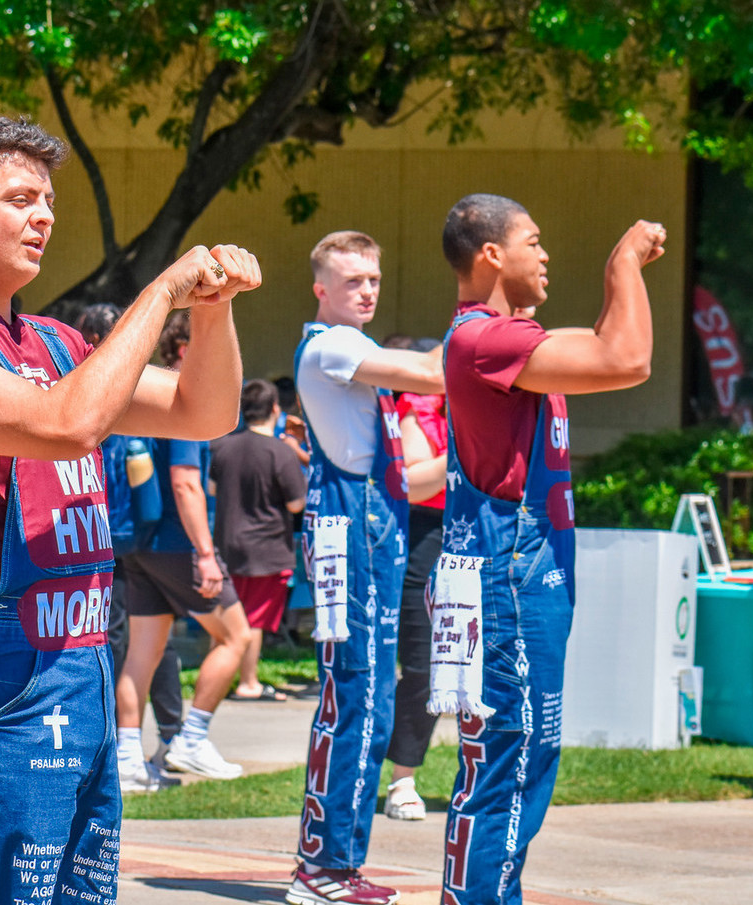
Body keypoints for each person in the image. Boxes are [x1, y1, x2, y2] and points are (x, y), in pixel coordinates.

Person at [0, 116, 258, 901]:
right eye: (20, 199)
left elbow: (203, 411)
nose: (44, 216)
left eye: (49, 200)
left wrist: (212, 309)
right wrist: (162, 291)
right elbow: (65, 423)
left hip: (79, 667)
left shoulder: (53, 342)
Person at [433, 194, 664, 905]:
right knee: (511, 760)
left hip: (516, 569)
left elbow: (600, 345)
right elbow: (627, 359)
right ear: (490, 254)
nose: (545, 254)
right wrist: (623, 262)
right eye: (532, 241)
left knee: (515, 758)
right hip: (510, 573)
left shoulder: (505, 340)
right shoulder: (487, 338)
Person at [290, 230, 443, 905]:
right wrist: (488, 315)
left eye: (374, 279)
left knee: (366, 698)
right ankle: (324, 866)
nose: (368, 291)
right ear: (321, 289)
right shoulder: (335, 346)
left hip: (368, 524)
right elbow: (435, 374)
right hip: (350, 528)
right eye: (353, 281)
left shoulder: (354, 348)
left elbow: (410, 471)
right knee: (357, 697)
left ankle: (333, 864)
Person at [115, 312, 253, 787]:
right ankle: (190, 739)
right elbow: (186, 482)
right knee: (236, 637)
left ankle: (128, 759)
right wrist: (206, 553)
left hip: (142, 542)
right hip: (179, 544)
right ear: (185, 349)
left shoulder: (151, 395)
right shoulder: (186, 397)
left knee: (142, 655)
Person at [78, 302, 186, 792]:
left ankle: (121, 743)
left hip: (93, 540)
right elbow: (147, 487)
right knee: (147, 645)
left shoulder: (83, 393)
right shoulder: (134, 393)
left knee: (117, 645)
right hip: (131, 539)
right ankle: (169, 736)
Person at [209, 378, 306, 702]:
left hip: (226, 545)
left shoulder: (222, 446)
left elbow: (211, 489)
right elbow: (296, 504)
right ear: (275, 409)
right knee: (253, 620)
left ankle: (216, 681)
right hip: (268, 549)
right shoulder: (281, 451)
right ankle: (248, 682)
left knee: (224, 617)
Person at [383, 359, 449, 821]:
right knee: (424, 665)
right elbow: (410, 485)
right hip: (427, 536)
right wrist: (470, 445)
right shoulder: (423, 406)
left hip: (486, 535)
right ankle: (401, 779)